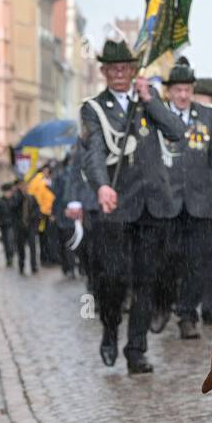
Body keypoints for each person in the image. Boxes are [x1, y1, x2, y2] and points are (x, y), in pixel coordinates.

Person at [76, 38, 185, 373]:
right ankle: (110, 330)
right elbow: (93, 152)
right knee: (112, 280)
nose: (119, 74)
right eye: (113, 69)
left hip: (154, 205)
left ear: (134, 71)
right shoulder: (92, 109)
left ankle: (136, 349)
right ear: (105, 72)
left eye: (125, 68)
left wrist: (150, 100)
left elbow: (177, 131)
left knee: (146, 280)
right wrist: (102, 186)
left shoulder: (148, 102)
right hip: (117, 206)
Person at [156, 59, 212, 338]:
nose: (182, 95)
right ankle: (163, 302)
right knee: (165, 258)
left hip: (202, 203)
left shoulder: (209, 117)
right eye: (177, 89)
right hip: (164, 203)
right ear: (168, 91)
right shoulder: (157, 115)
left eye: (186, 89)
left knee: (197, 261)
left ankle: (187, 315)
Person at [0, 183, 17, 267]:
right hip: (3, 224)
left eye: (9, 192)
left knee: (11, 241)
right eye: (6, 192)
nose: (8, 194)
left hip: (12, 224)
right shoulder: (0, 201)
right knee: (5, 242)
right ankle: (8, 258)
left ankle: (11, 254)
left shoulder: (14, 200)